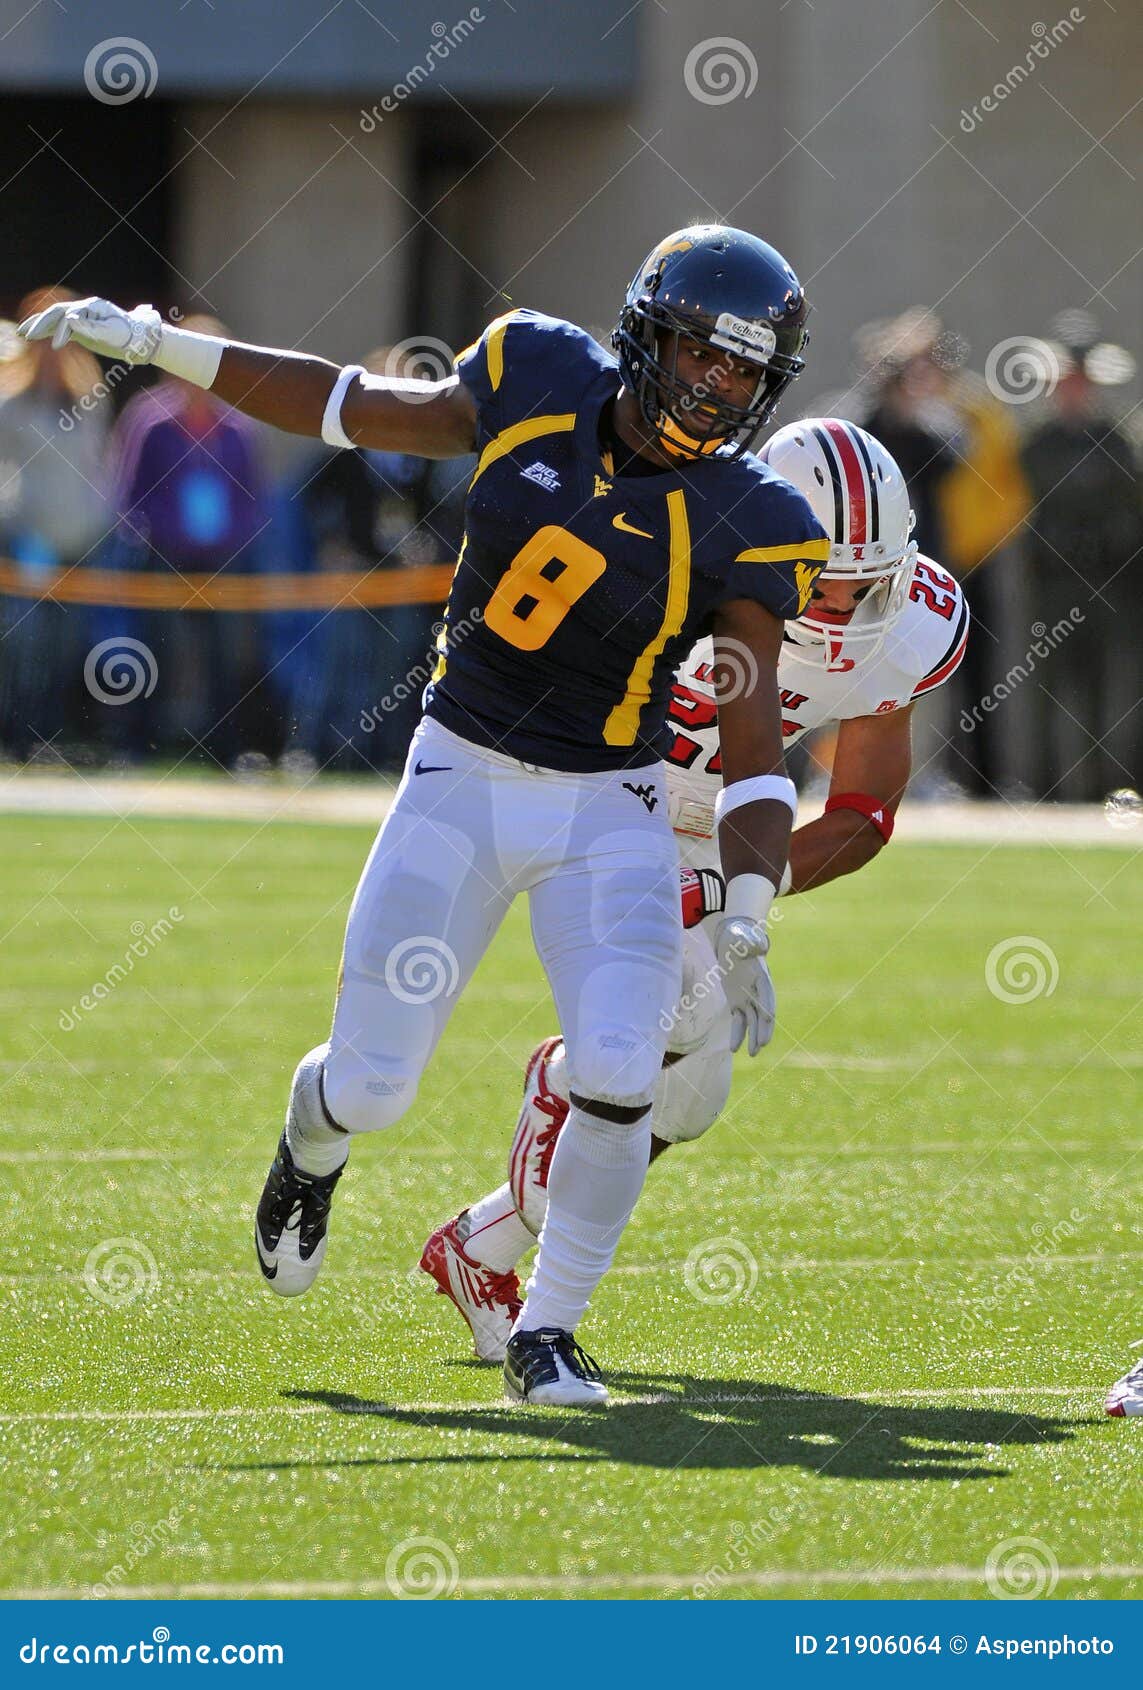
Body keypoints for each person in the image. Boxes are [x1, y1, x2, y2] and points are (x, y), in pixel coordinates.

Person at [20, 225, 830, 1408]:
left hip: (614, 801)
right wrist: (156, 348)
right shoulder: (537, 376)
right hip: (460, 774)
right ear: (644, 335)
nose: (714, 388)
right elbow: (345, 404)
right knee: (374, 1084)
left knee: (618, 1068)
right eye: (700, 354)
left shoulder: (751, 514)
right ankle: (314, 1134)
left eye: (742, 372)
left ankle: (546, 1330)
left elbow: (755, 741)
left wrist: (752, 905)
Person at [418, 418, 970, 1364]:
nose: (847, 604)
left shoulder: (910, 622)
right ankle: (571, 1088)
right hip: (599, 788)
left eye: (866, 579)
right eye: (827, 578)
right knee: (656, 1029)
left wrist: (746, 894)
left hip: (729, 817)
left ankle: (484, 1242)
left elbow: (866, 808)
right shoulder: (677, 564)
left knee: (690, 1101)